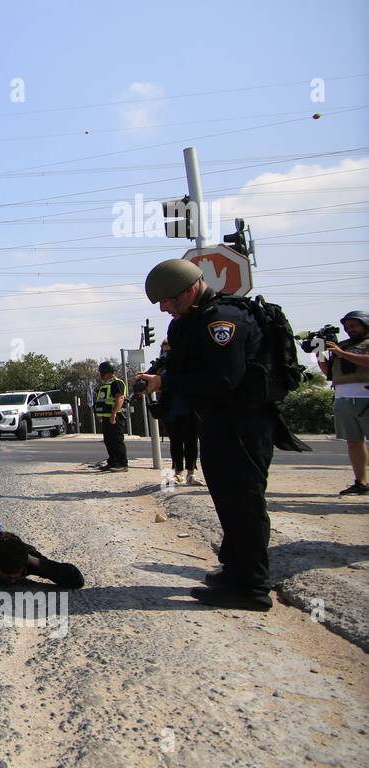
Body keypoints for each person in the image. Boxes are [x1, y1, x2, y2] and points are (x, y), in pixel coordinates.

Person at [136, 259, 276, 611]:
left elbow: (224, 380)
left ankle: (252, 588)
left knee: (244, 501)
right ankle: (235, 571)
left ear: (190, 289)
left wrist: (165, 382)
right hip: (218, 422)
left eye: (169, 300)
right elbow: (186, 364)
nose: (166, 308)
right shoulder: (192, 321)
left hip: (245, 424)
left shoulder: (222, 320)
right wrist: (158, 375)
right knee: (228, 498)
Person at [317, 309, 369, 495]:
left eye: (354, 326)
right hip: (343, 397)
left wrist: (341, 353)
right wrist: (320, 352)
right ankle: (361, 482)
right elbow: (328, 373)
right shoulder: (343, 345)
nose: (350, 330)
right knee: (353, 442)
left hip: (366, 397)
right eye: (347, 327)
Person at [159, 340, 199, 485]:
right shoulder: (162, 369)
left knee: (191, 442)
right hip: (172, 410)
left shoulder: (188, 366)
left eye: (169, 351)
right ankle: (178, 472)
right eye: (164, 351)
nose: (166, 354)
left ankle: (191, 473)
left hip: (190, 409)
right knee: (175, 443)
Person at [94, 361, 128, 472]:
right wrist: (100, 415)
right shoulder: (107, 384)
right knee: (109, 441)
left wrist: (113, 413)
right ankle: (113, 462)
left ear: (106, 372)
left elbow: (120, 398)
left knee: (117, 441)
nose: (100, 375)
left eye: (101, 373)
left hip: (116, 416)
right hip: (106, 417)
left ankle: (122, 464)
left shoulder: (117, 383)